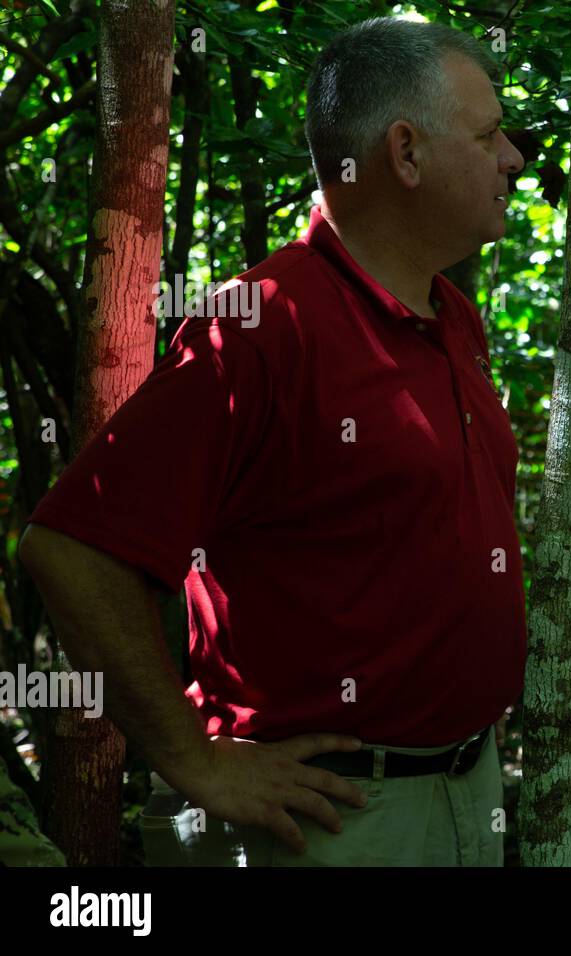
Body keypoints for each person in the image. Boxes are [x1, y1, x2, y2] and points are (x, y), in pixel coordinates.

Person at [18, 17, 527, 866]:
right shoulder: (260, 329)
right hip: (328, 823)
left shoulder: (453, 316)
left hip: (464, 792)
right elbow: (72, 551)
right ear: (404, 153)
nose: (513, 156)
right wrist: (192, 761)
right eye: (488, 134)